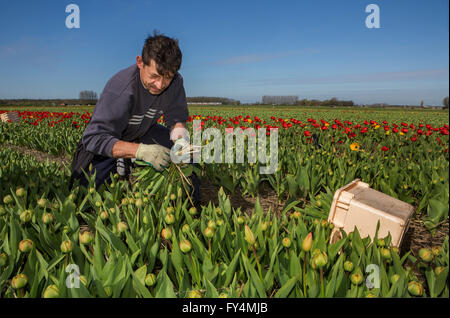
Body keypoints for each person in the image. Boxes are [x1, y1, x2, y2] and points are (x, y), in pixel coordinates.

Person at [69, 31, 200, 205]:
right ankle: (125, 158)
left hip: (143, 130)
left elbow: (176, 117)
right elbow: (94, 138)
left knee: (189, 159)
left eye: (167, 77)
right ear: (140, 62)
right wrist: (141, 151)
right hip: (110, 138)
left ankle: (188, 208)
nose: (160, 85)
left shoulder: (175, 82)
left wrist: (179, 137)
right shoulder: (121, 89)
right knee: (89, 195)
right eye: (154, 76)